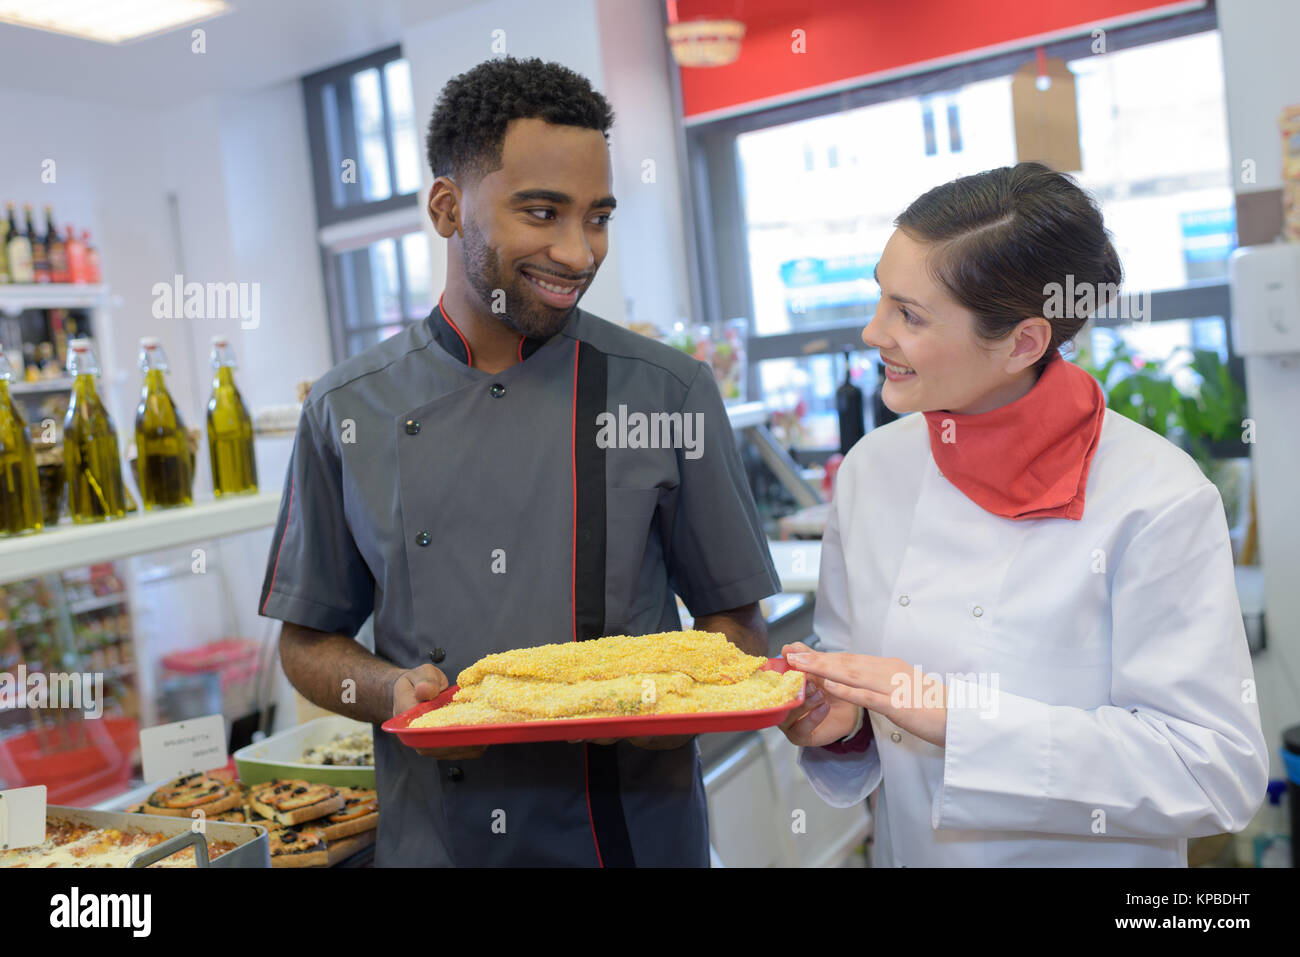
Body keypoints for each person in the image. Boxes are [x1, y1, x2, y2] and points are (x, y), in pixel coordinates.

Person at [259, 57, 779, 866]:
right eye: (542, 212)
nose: (577, 252)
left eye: (597, 217)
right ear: (446, 207)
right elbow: (307, 640)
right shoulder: (344, 409)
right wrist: (391, 691)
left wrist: (683, 703)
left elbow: (738, 627)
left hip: (634, 836)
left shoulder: (668, 390)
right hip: (436, 839)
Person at [779, 162, 1268, 866]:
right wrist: (844, 723)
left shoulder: (1155, 498)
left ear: (1023, 343)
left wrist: (956, 718)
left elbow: (1213, 770)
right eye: (881, 299)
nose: (872, 331)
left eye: (909, 315)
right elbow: (857, 690)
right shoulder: (871, 472)